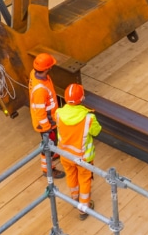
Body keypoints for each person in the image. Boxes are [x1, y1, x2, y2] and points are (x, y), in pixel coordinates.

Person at [57, 83, 102, 220]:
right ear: (81, 98)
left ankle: (74, 198)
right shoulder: (88, 118)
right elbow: (97, 131)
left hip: (65, 155)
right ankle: (83, 208)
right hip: (82, 158)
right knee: (84, 179)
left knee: (71, 175)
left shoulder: (58, 113)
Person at [29, 52, 63, 177]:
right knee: (48, 145)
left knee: (53, 142)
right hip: (45, 123)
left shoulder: (34, 74)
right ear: (47, 68)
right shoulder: (40, 90)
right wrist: (47, 128)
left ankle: (55, 153)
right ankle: (48, 170)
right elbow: (40, 112)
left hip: (50, 120)